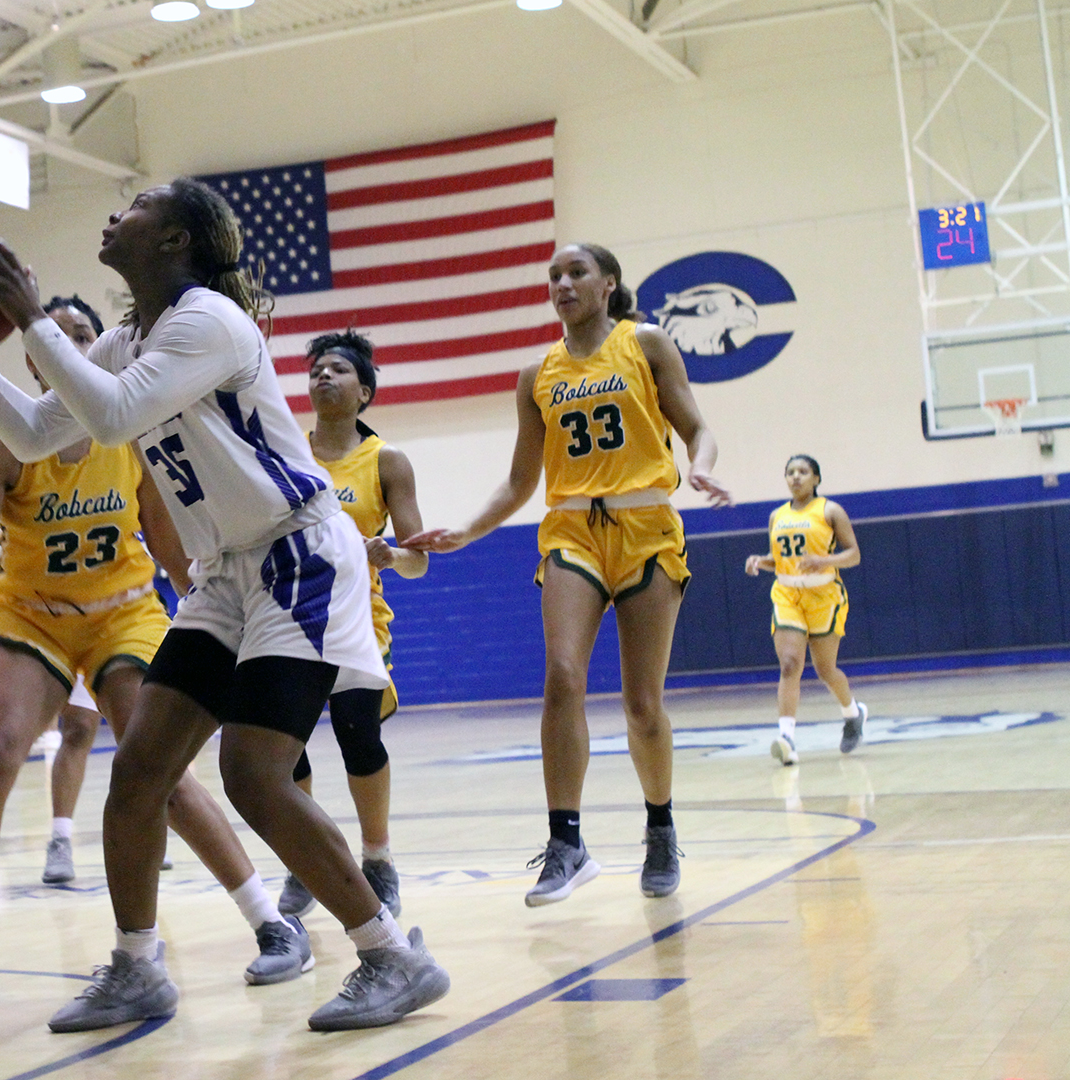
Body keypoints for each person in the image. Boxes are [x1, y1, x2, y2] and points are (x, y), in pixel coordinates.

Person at [0, 183, 450, 1034]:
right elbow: (42, 434)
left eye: (138, 203)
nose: (116, 210)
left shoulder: (209, 320)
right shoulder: (128, 338)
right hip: (226, 572)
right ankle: (137, 969)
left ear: (175, 239)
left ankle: (389, 954)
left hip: (296, 554)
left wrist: (33, 317)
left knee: (253, 775)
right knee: (140, 770)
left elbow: (110, 420)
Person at [0, 292, 312, 1011]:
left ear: (99, 353)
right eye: (57, 338)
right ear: (33, 360)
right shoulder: (1, 450)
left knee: (162, 770)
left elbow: (172, 549)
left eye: (83, 335)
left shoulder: (132, 440)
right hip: (32, 616)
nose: (71, 346)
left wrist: (223, 623)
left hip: (124, 614)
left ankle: (270, 923)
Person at [408, 243, 731, 907]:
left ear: (608, 283)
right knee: (562, 677)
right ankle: (567, 842)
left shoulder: (646, 344)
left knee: (642, 706)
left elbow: (698, 427)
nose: (562, 283)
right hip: (572, 531)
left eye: (576, 272)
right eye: (553, 275)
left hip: (646, 529)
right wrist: (469, 530)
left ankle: (661, 825)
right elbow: (522, 480)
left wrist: (699, 464)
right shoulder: (537, 376)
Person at [276, 330, 428, 922]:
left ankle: (378, 859)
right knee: (280, 746)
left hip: (359, 623)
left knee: (357, 735)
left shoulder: (387, 460)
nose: (323, 376)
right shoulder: (286, 450)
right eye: (316, 369)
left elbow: (419, 558)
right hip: (289, 614)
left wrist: (392, 553)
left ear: (363, 391)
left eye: (338, 369)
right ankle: (304, 862)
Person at [744, 454, 868, 765]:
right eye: (790, 472)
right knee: (789, 664)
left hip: (824, 594)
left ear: (816, 479)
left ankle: (853, 713)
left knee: (826, 670)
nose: (796, 477)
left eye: (803, 471)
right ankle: (786, 738)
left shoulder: (830, 510)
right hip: (787, 594)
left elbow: (853, 554)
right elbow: (780, 558)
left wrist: (825, 561)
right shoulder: (776, 516)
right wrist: (761, 561)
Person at [41, 677, 101, 884]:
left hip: (123, 646)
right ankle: (60, 838)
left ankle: (147, 834)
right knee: (79, 728)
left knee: (135, 728)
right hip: (73, 647)